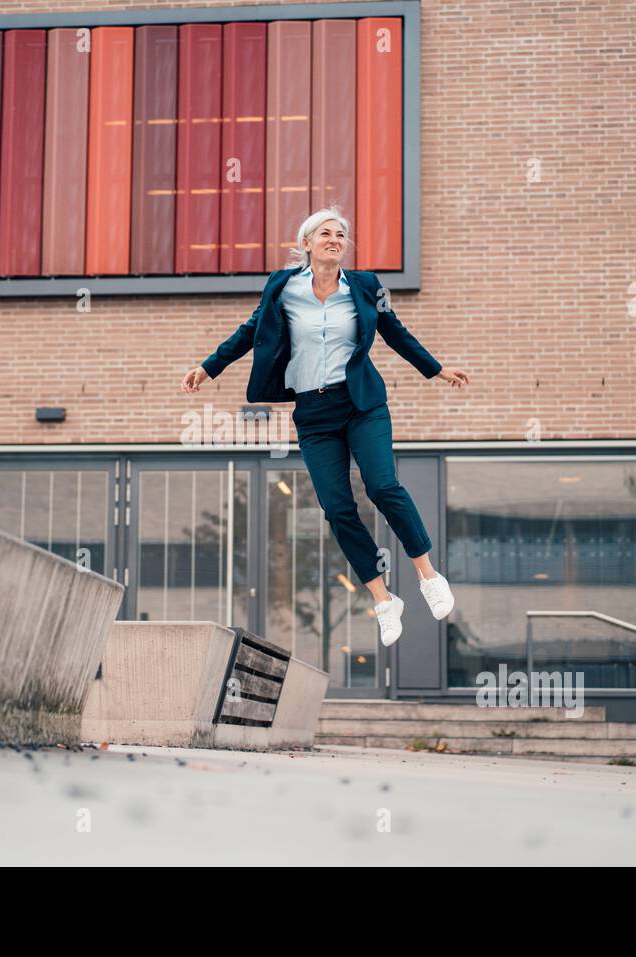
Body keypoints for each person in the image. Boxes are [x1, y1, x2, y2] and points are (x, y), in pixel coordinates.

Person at [181, 206, 470, 647]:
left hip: (361, 404)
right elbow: (250, 330)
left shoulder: (366, 286)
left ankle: (428, 575)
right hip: (313, 414)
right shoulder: (283, 287)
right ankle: (383, 599)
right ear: (307, 243)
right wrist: (208, 367)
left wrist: (435, 369)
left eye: (341, 234)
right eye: (326, 233)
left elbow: (394, 331)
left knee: (382, 486)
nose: (336, 239)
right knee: (337, 509)